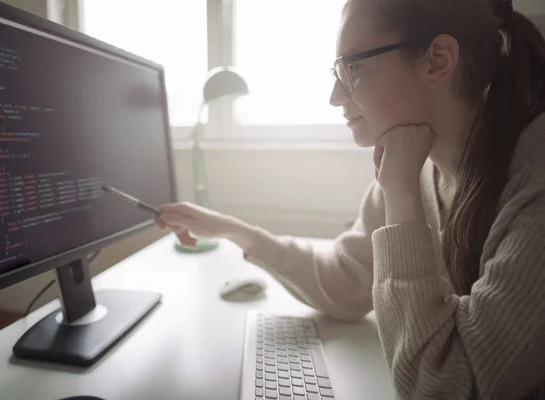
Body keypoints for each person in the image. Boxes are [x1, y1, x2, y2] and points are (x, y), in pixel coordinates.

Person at [156, 0, 545, 398]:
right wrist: (231, 229)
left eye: (353, 67)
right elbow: (345, 280)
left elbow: (442, 385)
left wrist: (401, 197)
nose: (335, 96)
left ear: (437, 61)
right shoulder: (414, 165)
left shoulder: (532, 184)